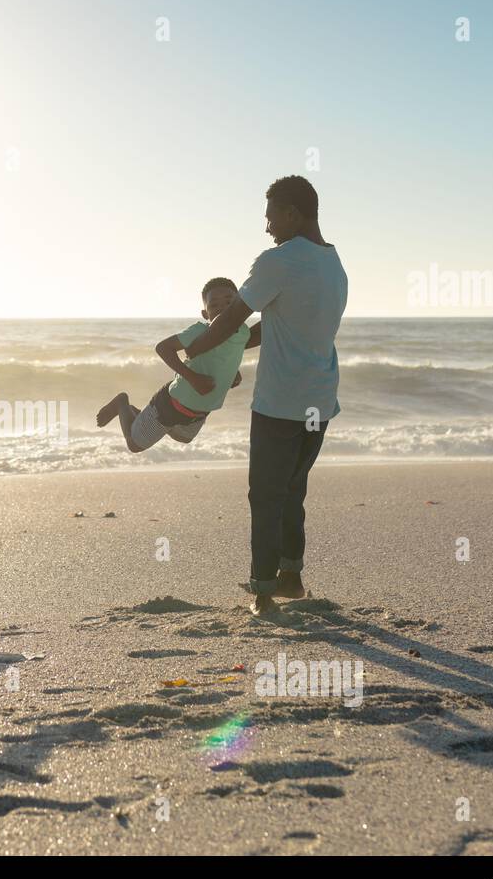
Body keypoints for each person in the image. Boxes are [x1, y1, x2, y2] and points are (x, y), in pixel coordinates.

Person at [186, 176, 348, 615]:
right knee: (293, 488)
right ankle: (291, 578)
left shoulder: (278, 260)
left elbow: (231, 320)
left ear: (293, 214)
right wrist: (229, 351)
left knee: (265, 493)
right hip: (321, 399)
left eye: (272, 215)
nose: (267, 226)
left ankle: (262, 590)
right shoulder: (334, 264)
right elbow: (276, 328)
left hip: (281, 400)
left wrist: (191, 351)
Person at [97, 277, 250, 451]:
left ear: (239, 306)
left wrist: (232, 373)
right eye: (214, 305)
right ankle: (122, 404)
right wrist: (193, 379)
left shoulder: (243, 332)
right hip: (171, 405)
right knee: (134, 445)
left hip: (200, 411)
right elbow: (163, 348)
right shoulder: (200, 330)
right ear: (205, 314)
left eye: (229, 303)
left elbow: (226, 354)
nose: (222, 308)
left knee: (182, 438)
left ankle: (140, 417)